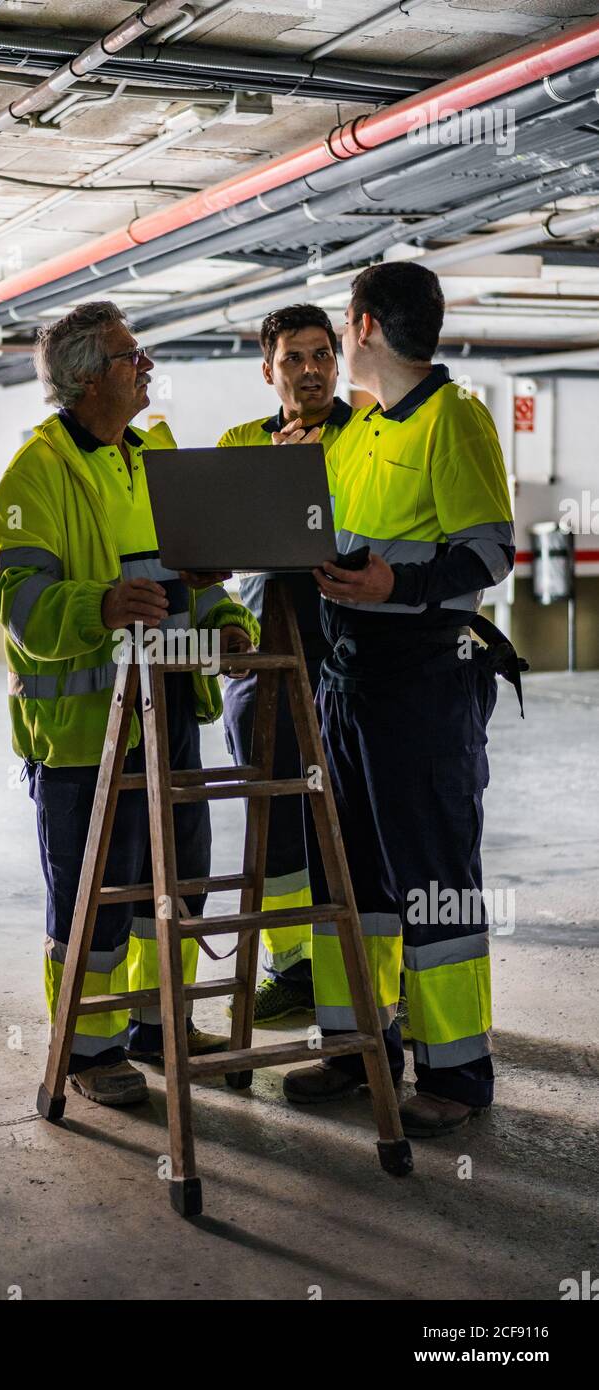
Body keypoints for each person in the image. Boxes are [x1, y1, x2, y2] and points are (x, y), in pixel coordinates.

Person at [0, 301, 258, 1107]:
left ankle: (153, 1022)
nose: (145, 366)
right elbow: (23, 607)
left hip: (168, 711)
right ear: (88, 378)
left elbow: (191, 583)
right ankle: (88, 1044)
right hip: (82, 736)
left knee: (173, 883)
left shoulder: (154, 459)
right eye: (130, 355)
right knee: (92, 896)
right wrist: (100, 607)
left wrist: (231, 622)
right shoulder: (34, 474)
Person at [279, 261, 523, 1137]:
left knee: (433, 884)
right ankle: (356, 1049)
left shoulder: (452, 420)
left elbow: (490, 554)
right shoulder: (357, 430)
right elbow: (319, 536)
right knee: (352, 877)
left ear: (365, 326)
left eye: (343, 329)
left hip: (424, 682)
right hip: (346, 683)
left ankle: (456, 1075)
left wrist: (396, 585)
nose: (339, 345)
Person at [218, 305, 353, 1022]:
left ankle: (347, 970)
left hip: (343, 658)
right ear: (268, 369)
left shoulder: (364, 435)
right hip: (263, 660)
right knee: (272, 812)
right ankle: (289, 966)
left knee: (341, 811)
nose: (310, 368)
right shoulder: (241, 443)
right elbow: (217, 545)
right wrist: (274, 476)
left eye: (322, 353)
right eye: (294, 357)